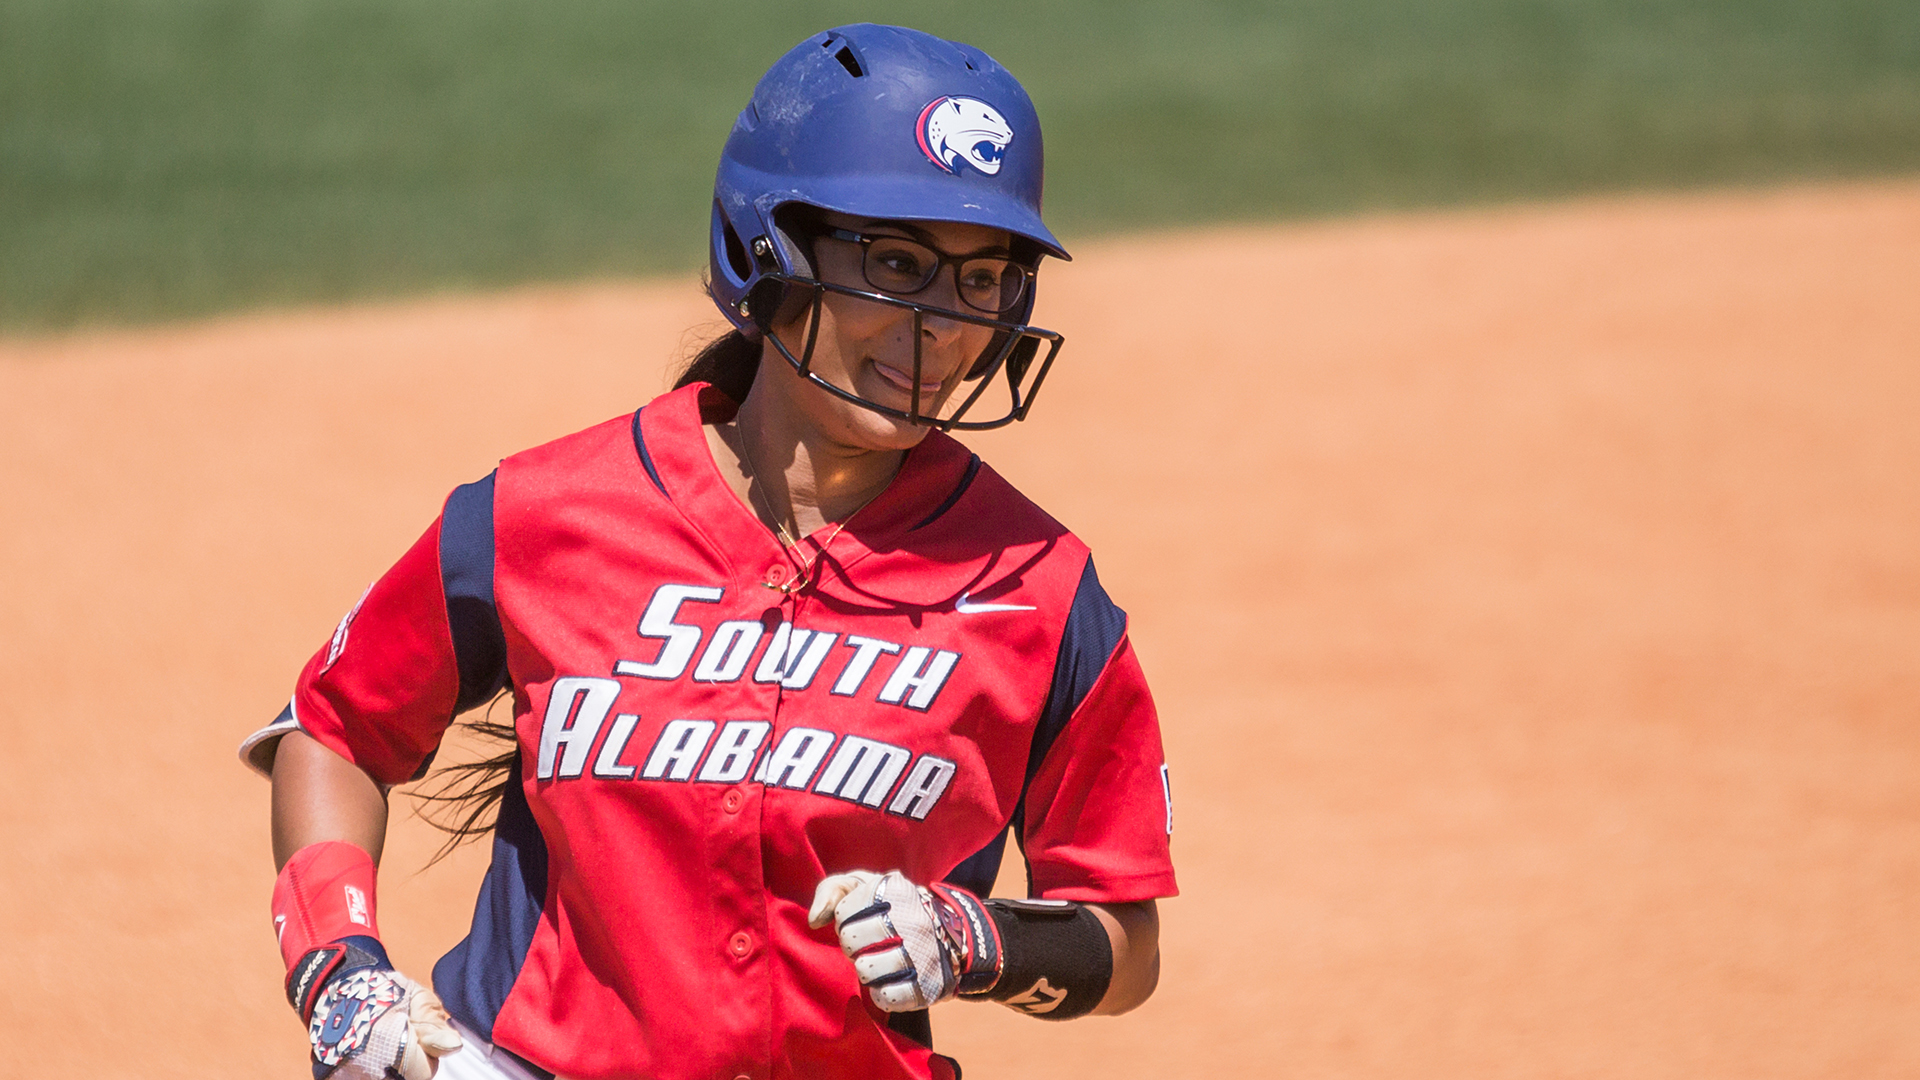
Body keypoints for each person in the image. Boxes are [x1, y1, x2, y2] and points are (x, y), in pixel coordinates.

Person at [241, 23, 1177, 1080]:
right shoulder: (545, 516)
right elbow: (335, 727)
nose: (939, 327)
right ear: (766, 249)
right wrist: (338, 968)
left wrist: (976, 940)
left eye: (981, 279)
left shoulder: (1038, 591)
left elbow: (1122, 937)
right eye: (897, 262)